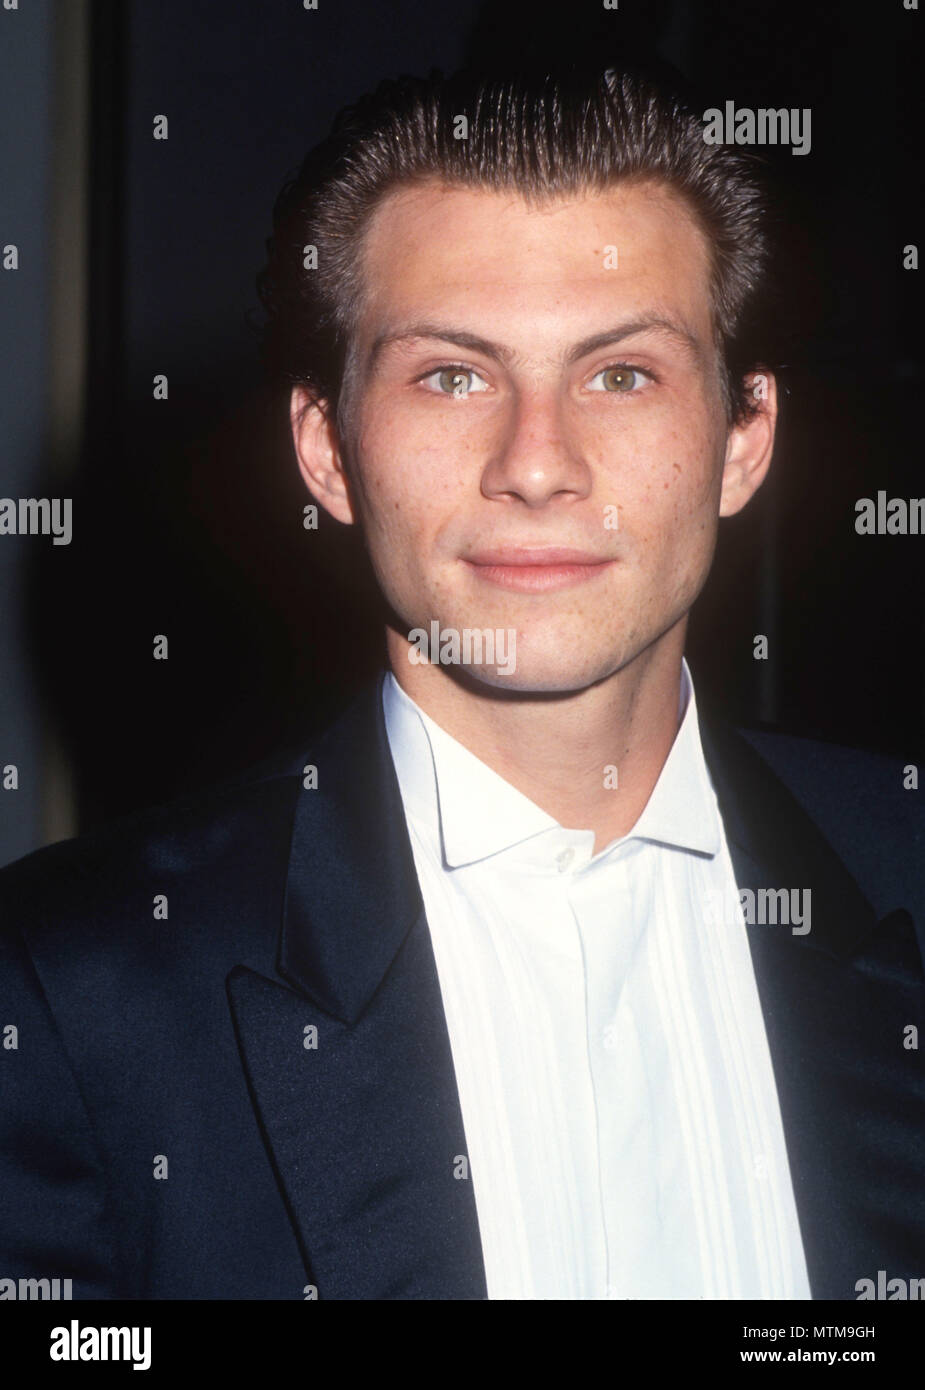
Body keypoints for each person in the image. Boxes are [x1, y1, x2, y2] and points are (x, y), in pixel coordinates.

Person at [1, 62, 922, 1303]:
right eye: (451, 374)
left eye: (620, 374)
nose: (536, 464)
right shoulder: (70, 992)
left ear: (743, 441)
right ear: (327, 450)